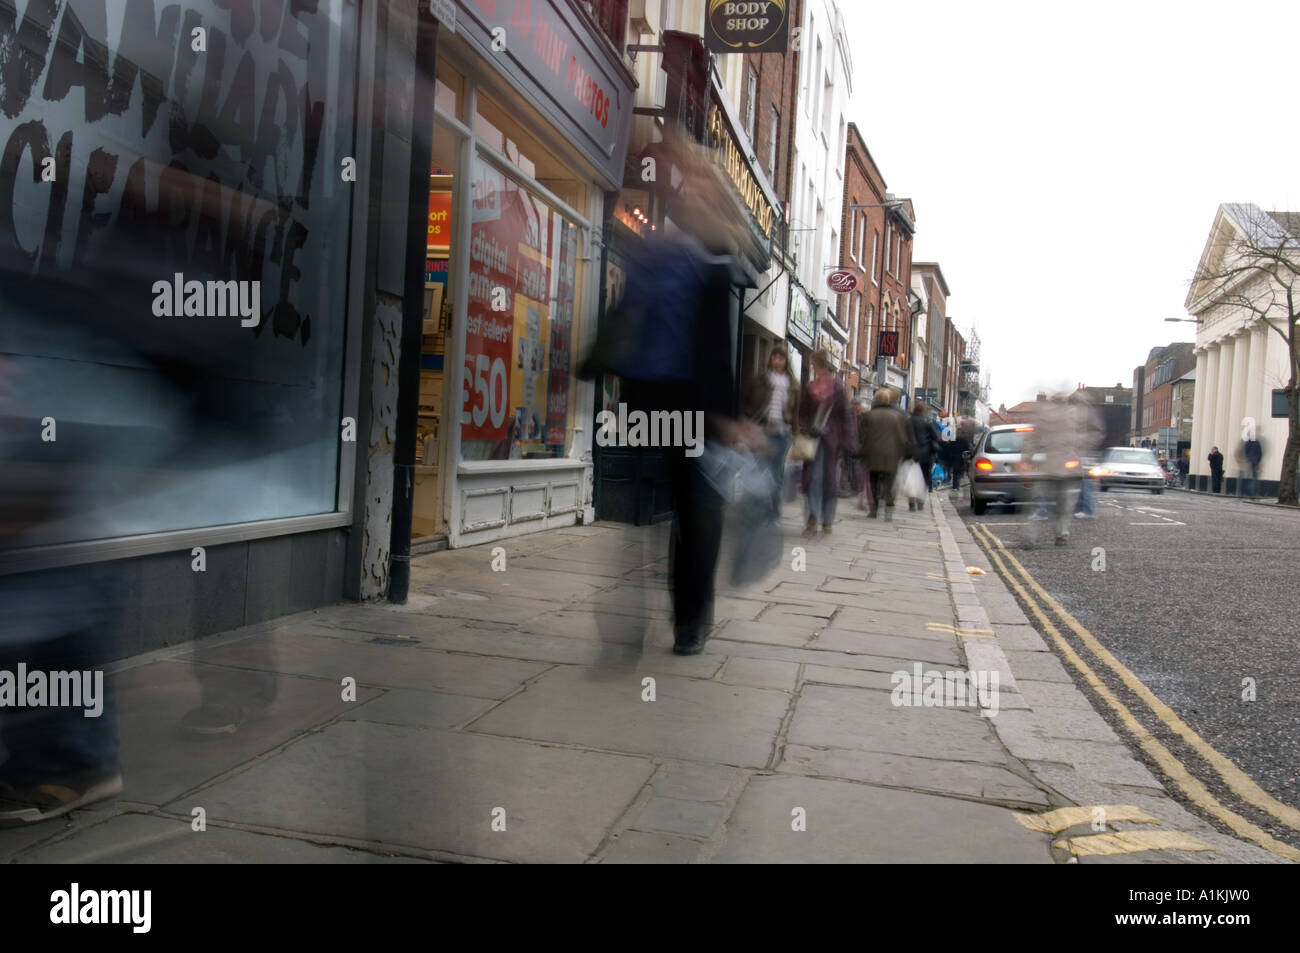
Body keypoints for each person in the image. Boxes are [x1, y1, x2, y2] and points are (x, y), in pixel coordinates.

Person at [1021, 391, 1103, 545]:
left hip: (1065, 466)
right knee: (1054, 502)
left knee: (1061, 503)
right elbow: (1033, 436)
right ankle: (1036, 535)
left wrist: (1080, 447)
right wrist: (1028, 457)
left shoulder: (1076, 412)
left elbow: (1095, 431)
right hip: (1054, 466)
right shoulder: (1047, 413)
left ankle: (1058, 534)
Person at [798, 349, 856, 535]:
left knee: (829, 481)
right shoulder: (810, 387)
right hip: (813, 439)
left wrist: (847, 441)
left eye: (815, 363)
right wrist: (805, 427)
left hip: (832, 441)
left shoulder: (837, 387)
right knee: (813, 479)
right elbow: (803, 413)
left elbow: (845, 416)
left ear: (822, 364)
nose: (813, 367)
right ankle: (812, 518)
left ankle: (828, 519)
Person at [741, 343, 799, 518]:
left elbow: (795, 412)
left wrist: (795, 433)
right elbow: (746, 402)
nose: (777, 361)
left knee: (776, 474)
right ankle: (758, 511)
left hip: (781, 434)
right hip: (761, 431)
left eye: (781, 358)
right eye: (774, 357)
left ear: (786, 361)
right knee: (759, 472)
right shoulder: (759, 380)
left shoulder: (793, 385)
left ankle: (772, 513)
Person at [858, 387, 914, 520]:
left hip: (873, 453)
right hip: (891, 455)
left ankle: (874, 509)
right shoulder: (898, 416)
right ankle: (889, 507)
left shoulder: (869, 415)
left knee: (873, 481)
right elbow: (903, 438)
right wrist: (904, 453)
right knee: (890, 481)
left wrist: (863, 451)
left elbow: (862, 436)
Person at [907, 402, 941, 512]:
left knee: (911, 478)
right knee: (924, 478)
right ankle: (921, 501)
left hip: (911, 454)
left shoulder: (909, 421)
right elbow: (935, 436)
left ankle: (911, 502)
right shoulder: (927, 421)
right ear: (923, 411)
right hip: (925, 454)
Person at [1242, 436, 1263, 500]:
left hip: (1249, 461)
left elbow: (1245, 451)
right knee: (1255, 477)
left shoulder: (1248, 442)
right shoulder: (1257, 442)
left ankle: (1250, 492)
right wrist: (1258, 461)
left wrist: (1247, 459)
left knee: (1249, 477)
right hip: (1255, 461)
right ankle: (1254, 493)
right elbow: (1260, 452)